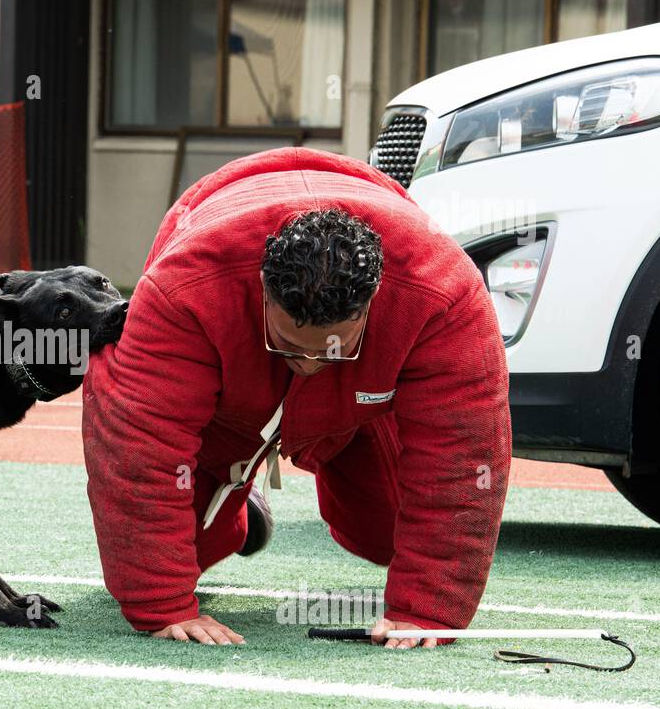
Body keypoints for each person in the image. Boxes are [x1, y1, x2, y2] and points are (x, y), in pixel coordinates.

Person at [83, 148, 511, 647]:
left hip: (361, 409)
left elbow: (464, 457)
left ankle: (321, 442)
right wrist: (161, 604)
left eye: (331, 350)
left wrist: (428, 608)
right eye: (289, 345)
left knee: (384, 532)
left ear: (374, 301)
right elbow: (139, 450)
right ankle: (238, 503)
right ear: (263, 290)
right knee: (185, 550)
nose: (309, 364)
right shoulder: (186, 286)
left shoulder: (442, 292)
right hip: (228, 410)